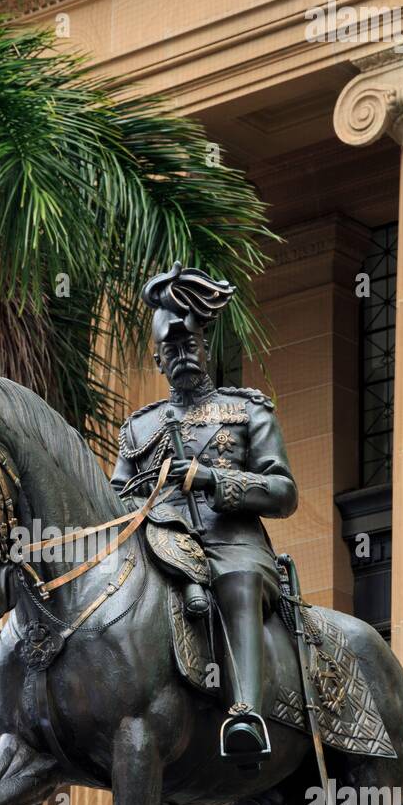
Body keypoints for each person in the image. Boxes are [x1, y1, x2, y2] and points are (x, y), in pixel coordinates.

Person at [111, 263, 298, 764]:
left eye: (189, 344)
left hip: (231, 545)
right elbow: (114, 500)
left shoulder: (248, 411)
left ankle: (246, 715)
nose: (181, 355)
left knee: (236, 580)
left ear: (206, 345)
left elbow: (283, 491)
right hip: (156, 543)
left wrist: (213, 479)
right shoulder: (138, 427)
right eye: (170, 349)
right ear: (156, 357)